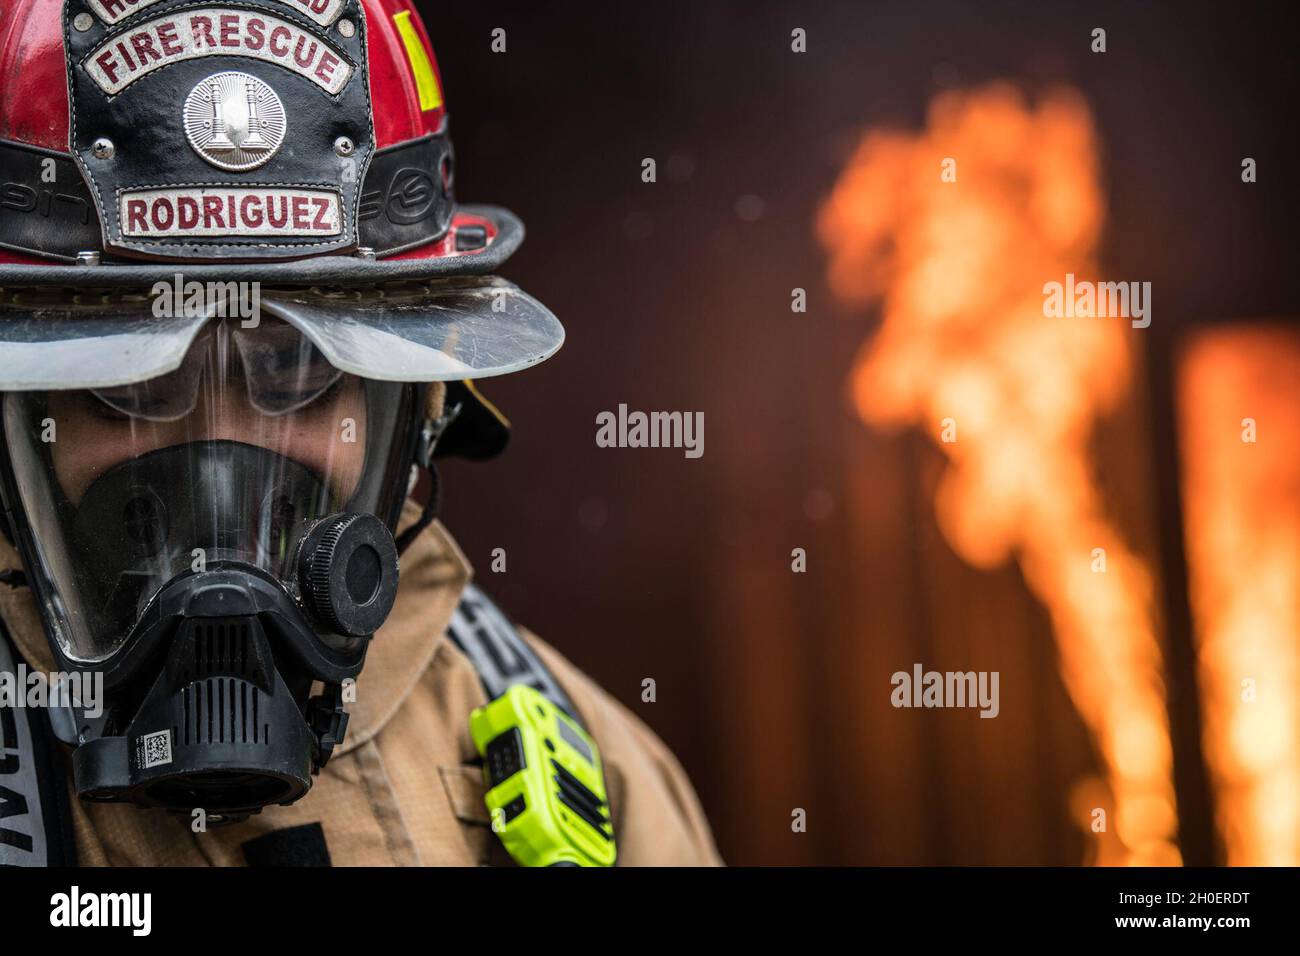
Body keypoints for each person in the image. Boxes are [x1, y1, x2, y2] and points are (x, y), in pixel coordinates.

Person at [0, 0, 719, 867]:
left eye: (297, 373)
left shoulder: (599, 781)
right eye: (129, 384)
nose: (222, 461)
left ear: (423, 409)